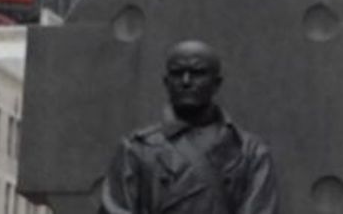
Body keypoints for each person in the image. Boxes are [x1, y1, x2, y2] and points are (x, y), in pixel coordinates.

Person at [100, 40, 279, 214]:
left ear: (216, 83)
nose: (186, 81)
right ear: (166, 82)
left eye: (198, 73)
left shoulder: (251, 152)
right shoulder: (136, 149)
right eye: (177, 73)